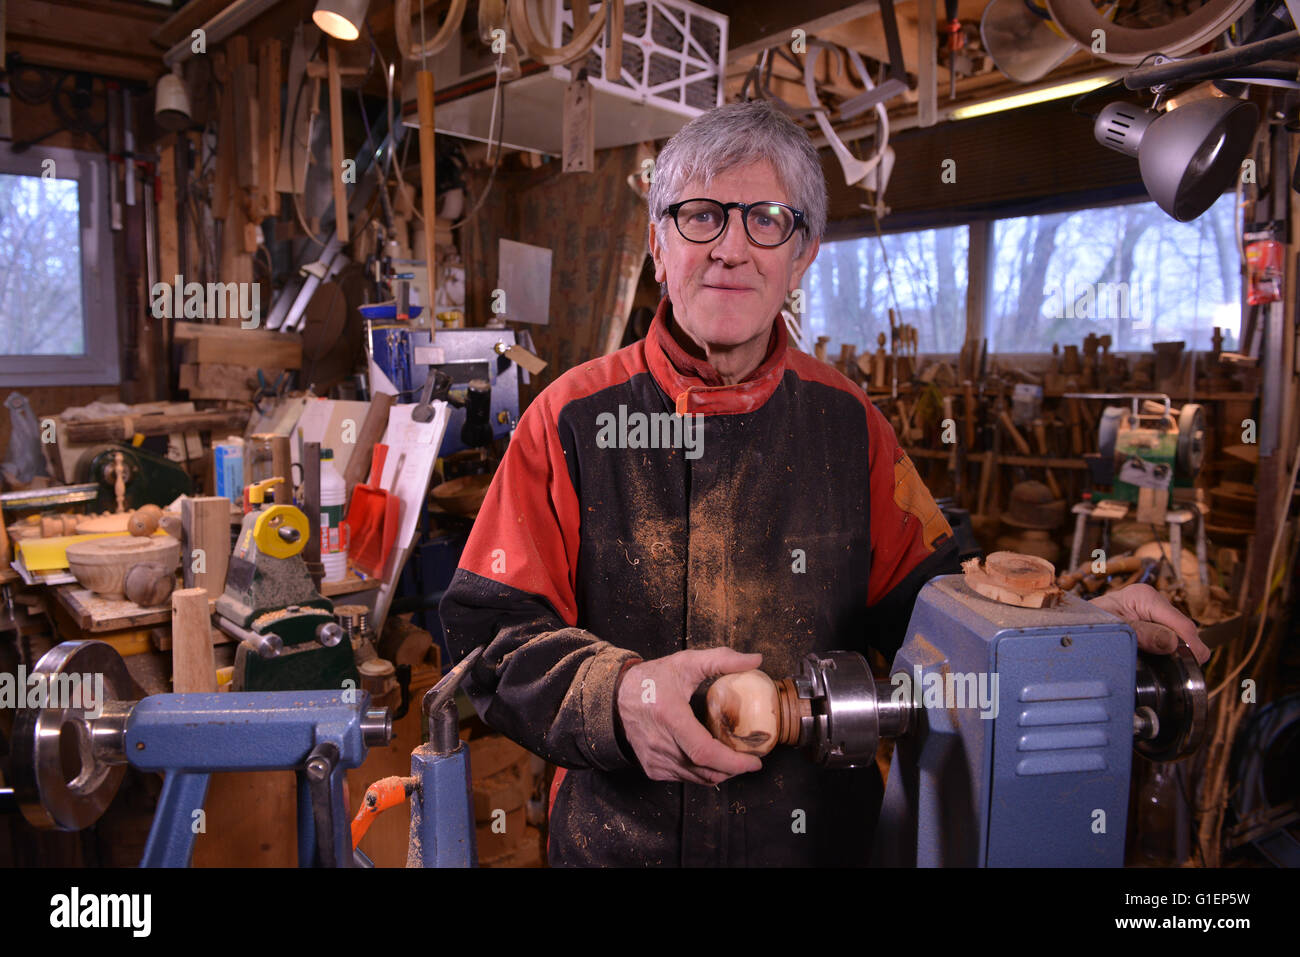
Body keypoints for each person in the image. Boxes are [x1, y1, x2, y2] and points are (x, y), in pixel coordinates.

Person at [439, 99, 1210, 866]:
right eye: (700, 216)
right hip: (619, 847)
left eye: (767, 219)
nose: (731, 249)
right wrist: (618, 695)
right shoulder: (568, 421)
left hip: (819, 846)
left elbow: (936, 611)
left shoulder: (852, 426)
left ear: (803, 254)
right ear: (657, 244)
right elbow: (490, 638)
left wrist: (1072, 626)